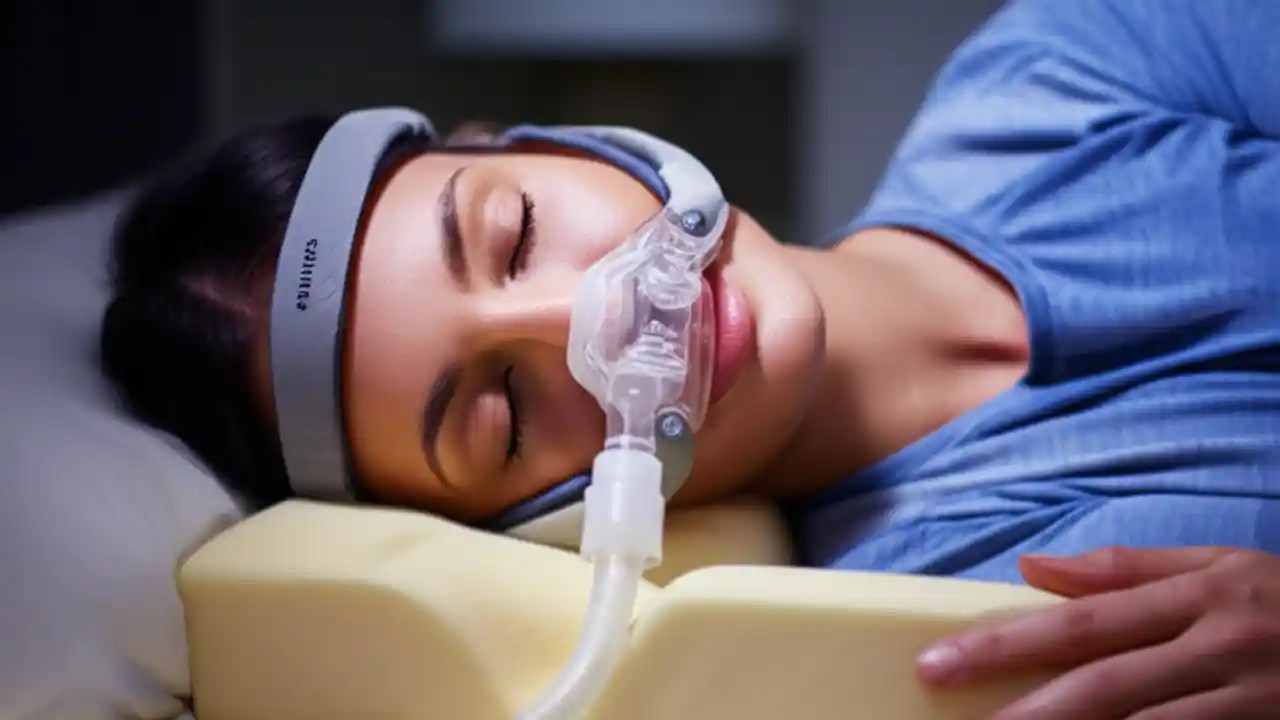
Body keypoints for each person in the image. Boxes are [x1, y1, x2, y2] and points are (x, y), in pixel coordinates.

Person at [100, 0, 1279, 716]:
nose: (598, 326)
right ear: (543, 525)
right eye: (501, 419)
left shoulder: (1069, 69)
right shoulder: (964, 627)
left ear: (547, 144)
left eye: (512, 233)